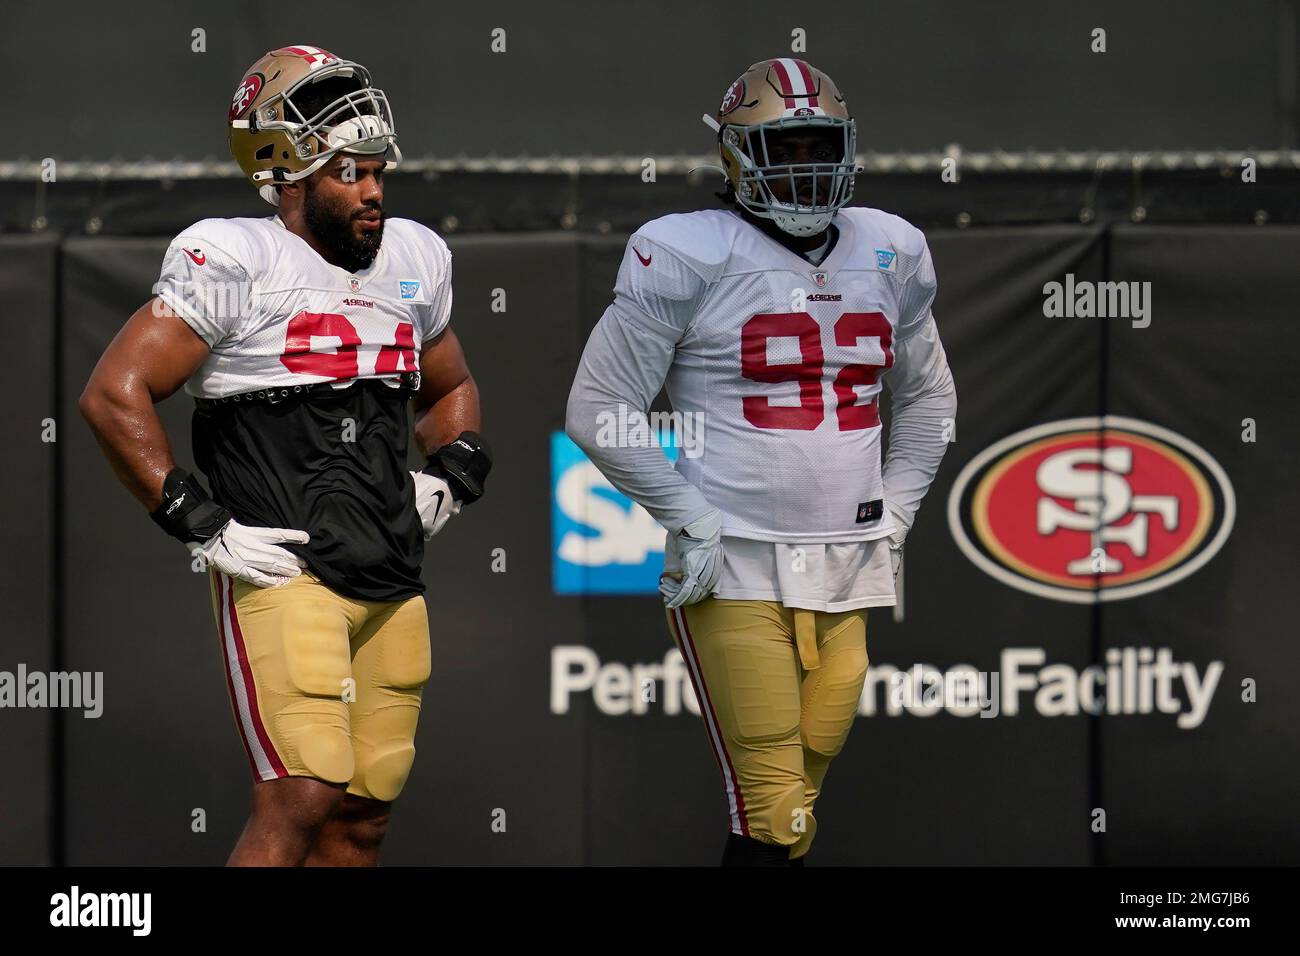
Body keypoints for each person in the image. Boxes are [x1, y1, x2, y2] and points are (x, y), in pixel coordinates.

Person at [79, 45, 491, 866]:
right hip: (283, 568)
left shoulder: (414, 259)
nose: (373, 190)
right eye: (348, 172)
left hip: (391, 571)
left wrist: (455, 471)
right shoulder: (235, 258)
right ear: (290, 177)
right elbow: (114, 390)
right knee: (302, 794)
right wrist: (194, 516)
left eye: (378, 169)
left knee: (364, 813)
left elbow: (452, 392)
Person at [566, 57, 956, 865]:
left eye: (822, 145)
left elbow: (928, 403)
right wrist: (690, 519)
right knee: (775, 805)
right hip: (734, 558)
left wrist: (898, 516)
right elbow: (600, 411)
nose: (808, 167)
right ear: (737, 155)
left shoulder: (892, 249)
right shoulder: (684, 250)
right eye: (788, 146)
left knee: (800, 793)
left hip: (849, 563)